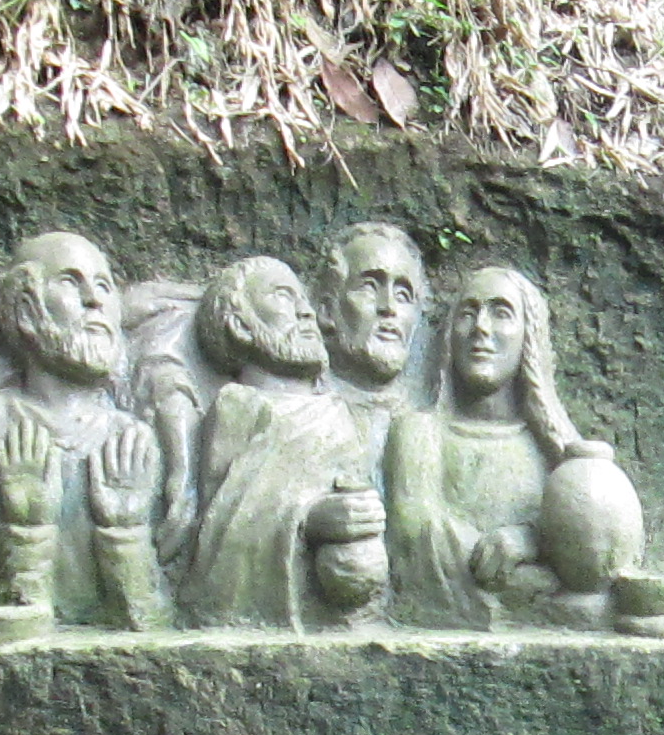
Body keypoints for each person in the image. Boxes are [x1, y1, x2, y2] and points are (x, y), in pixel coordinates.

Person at [0, 231, 170, 629]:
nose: (95, 300)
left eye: (104, 286)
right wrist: (27, 532)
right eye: (71, 282)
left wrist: (126, 535)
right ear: (25, 311)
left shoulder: (130, 440)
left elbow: (152, 625)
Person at [180, 258, 386, 630]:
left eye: (304, 299)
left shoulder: (342, 414)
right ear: (241, 325)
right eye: (283, 297)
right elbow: (223, 529)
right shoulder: (239, 407)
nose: (306, 312)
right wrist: (309, 519)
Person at [384, 266, 589, 628]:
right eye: (468, 312)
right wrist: (537, 582)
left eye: (501, 313)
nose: (481, 327)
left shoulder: (556, 454)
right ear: (448, 337)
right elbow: (420, 539)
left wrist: (533, 540)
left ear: (530, 337)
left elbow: (595, 543)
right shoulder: (419, 434)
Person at [317, 220, 430, 475]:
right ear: (327, 310)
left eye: (403, 295)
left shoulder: (433, 422)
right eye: (369, 287)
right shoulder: (299, 415)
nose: (388, 307)